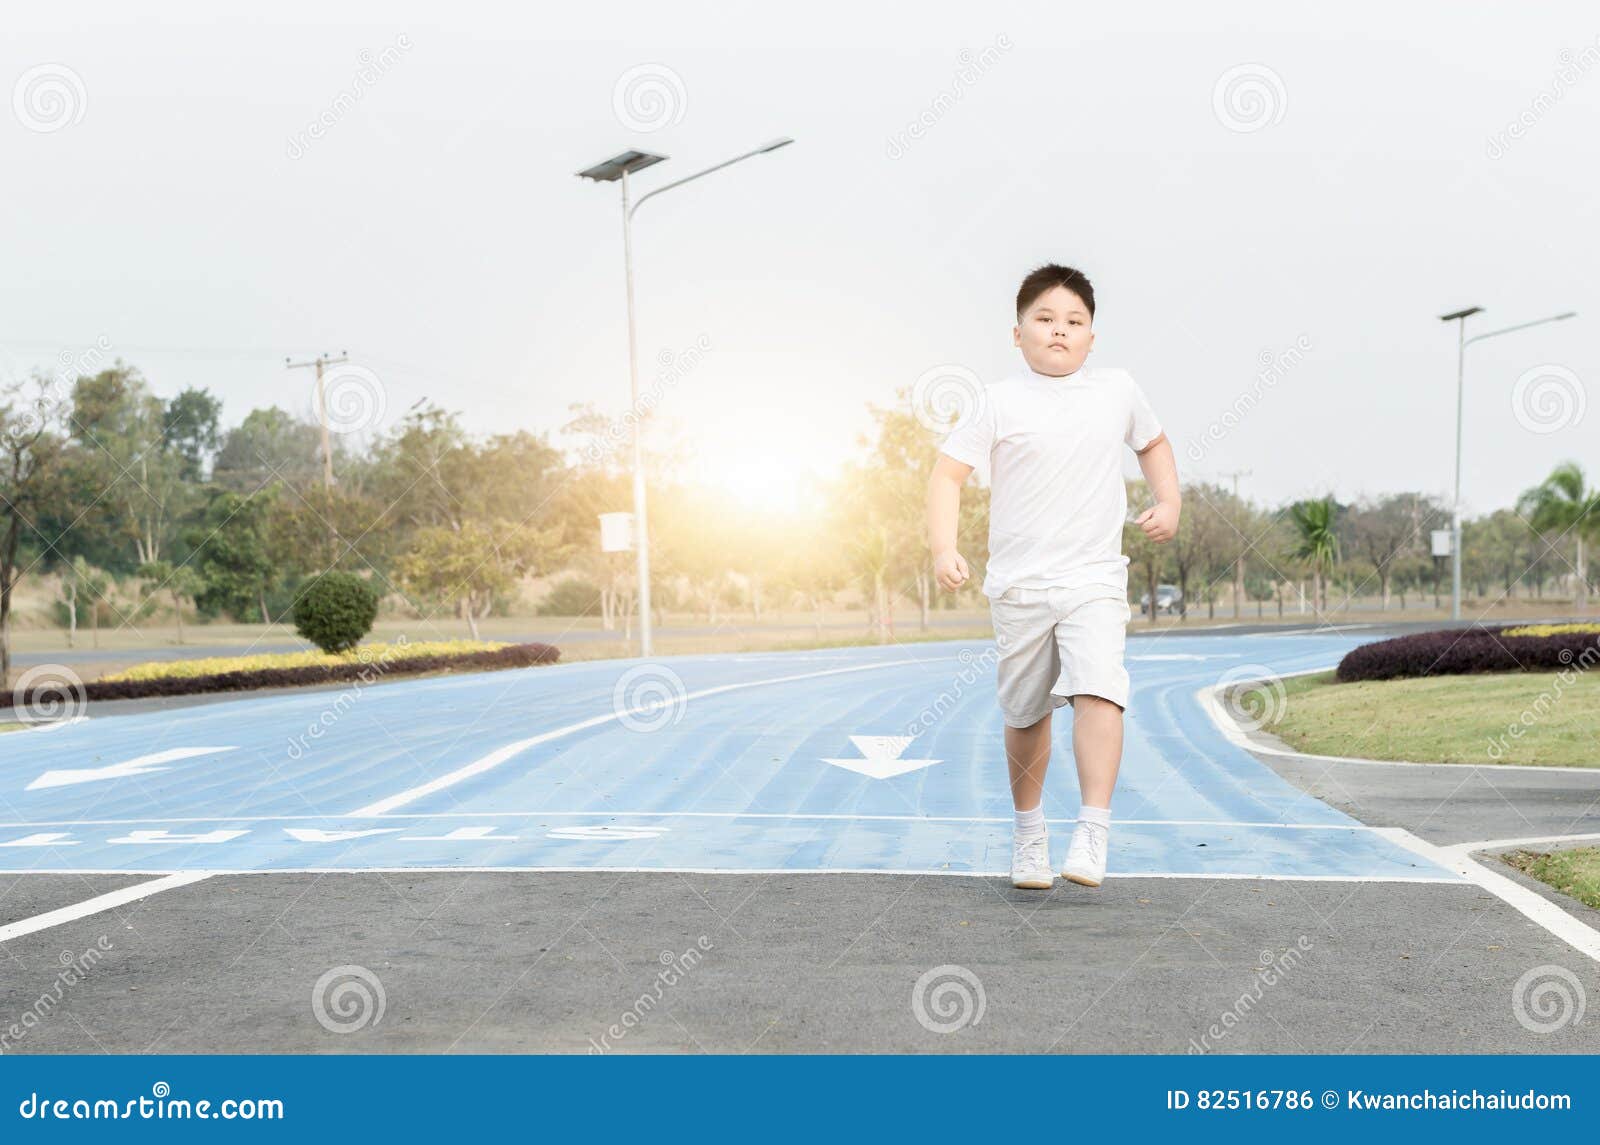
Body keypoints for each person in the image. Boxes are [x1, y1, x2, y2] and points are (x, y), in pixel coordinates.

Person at [927, 264, 1180, 890]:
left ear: (1092, 337)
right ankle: (1029, 834)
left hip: (1094, 578)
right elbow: (946, 476)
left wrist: (1168, 501)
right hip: (1018, 586)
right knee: (1026, 712)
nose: (1059, 331)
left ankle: (1093, 830)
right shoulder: (996, 400)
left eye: (1075, 322)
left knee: (1100, 688)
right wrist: (943, 548)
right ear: (1018, 334)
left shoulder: (1117, 389)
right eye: (1044, 319)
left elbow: (1153, 443)